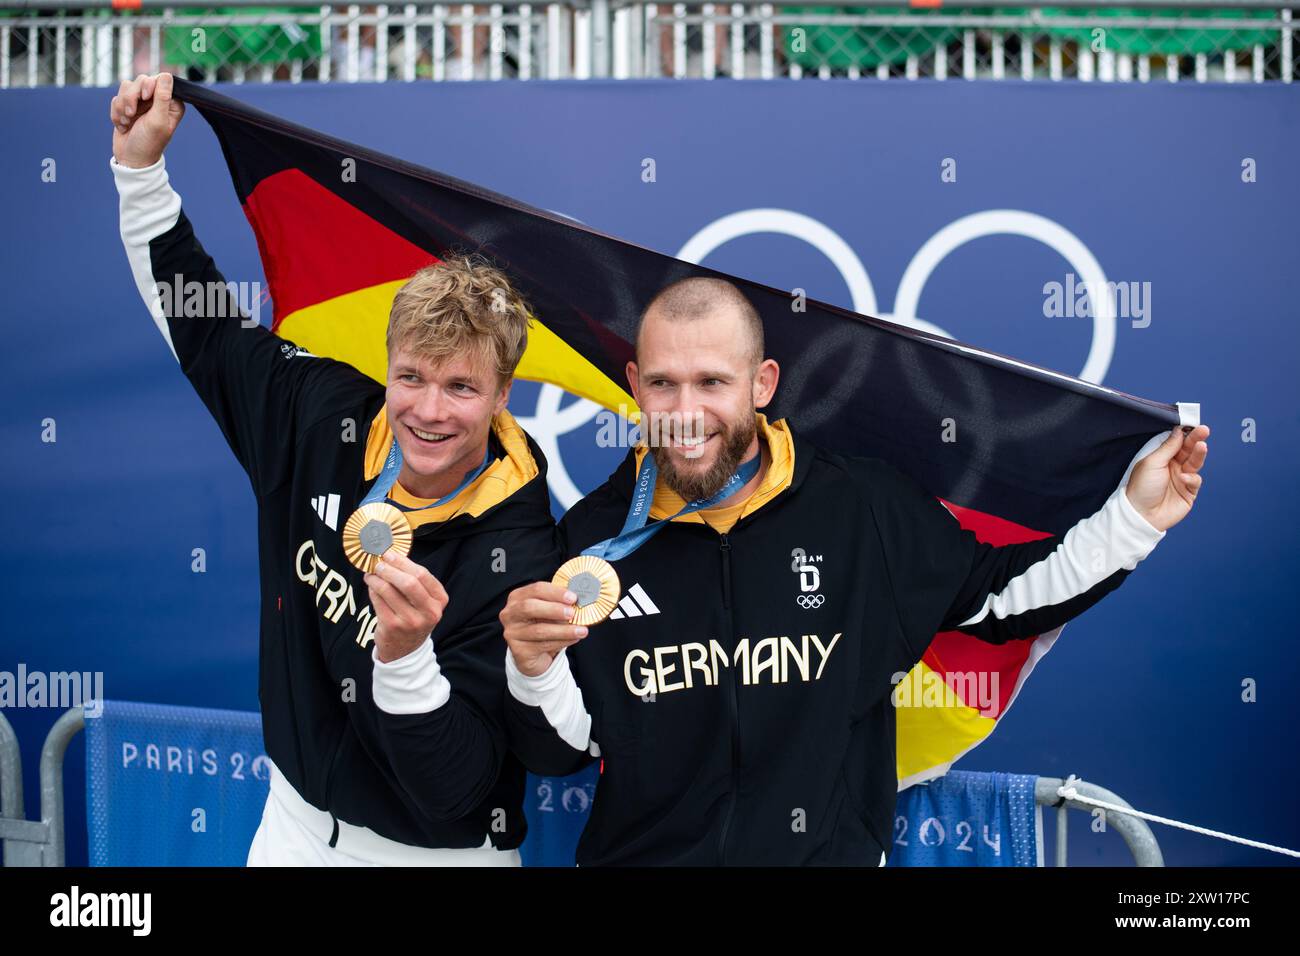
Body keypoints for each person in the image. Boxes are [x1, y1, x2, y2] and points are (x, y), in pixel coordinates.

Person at [499, 275, 1209, 866]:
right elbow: (565, 751)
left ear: (762, 383)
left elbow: (1003, 600)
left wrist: (1134, 521)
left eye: (712, 382)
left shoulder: (861, 507)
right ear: (634, 383)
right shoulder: (591, 540)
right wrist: (533, 669)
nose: (687, 413)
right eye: (663, 384)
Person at [110, 72, 562, 866]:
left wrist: (406, 655)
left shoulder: (521, 553)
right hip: (289, 826)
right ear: (385, 368)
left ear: (501, 396)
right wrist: (141, 173)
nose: (428, 410)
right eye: (412, 377)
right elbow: (205, 329)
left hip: (435, 856)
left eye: (461, 387)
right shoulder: (324, 417)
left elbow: (459, 792)